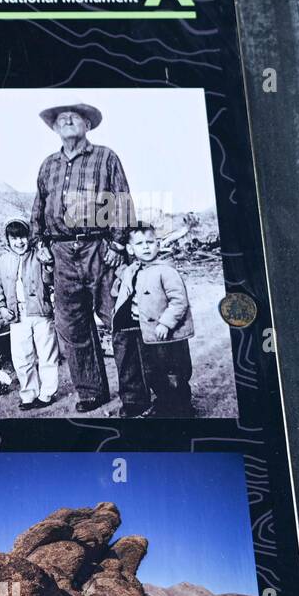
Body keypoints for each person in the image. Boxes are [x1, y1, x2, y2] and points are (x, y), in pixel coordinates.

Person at [29, 102, 135, 412]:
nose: (68, 121)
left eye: (75, 117)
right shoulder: (48, 165)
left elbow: (122, 200)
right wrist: (39, 242)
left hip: (99, 248)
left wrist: (116, 245)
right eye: (61, 119)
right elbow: (39, 207)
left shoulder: (105, 157)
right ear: (54, 128)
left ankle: (133, 395)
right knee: (73, 327)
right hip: (61, 253)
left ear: (87, 125)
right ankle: (91, 392)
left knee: (119, 320)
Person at [112, 223, 195, 417]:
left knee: (174, 371)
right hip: (145, 331)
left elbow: (179, 301)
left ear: (158, 244)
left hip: (167, 333)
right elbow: (125, 293)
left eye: (150, 242)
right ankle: (163, 403)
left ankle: (182, 408)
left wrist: (166, 322)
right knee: (152, 371)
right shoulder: (131, 270)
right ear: (130, 249)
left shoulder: (165, 271)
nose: (147, 247)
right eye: (140, 244)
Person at [0, 218, 61, 410]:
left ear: (29, 237)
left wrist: (49, 265)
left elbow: (51, 280)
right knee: (22, 358)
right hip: (16, 315)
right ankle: (29, 394)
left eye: (23, 237)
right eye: (14, 238)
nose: (19, 242)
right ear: (8, 240)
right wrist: (2, 307)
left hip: (41, 312)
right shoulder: (2, 262)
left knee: (47, 355)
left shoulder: (39, 255)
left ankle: (46, 394)